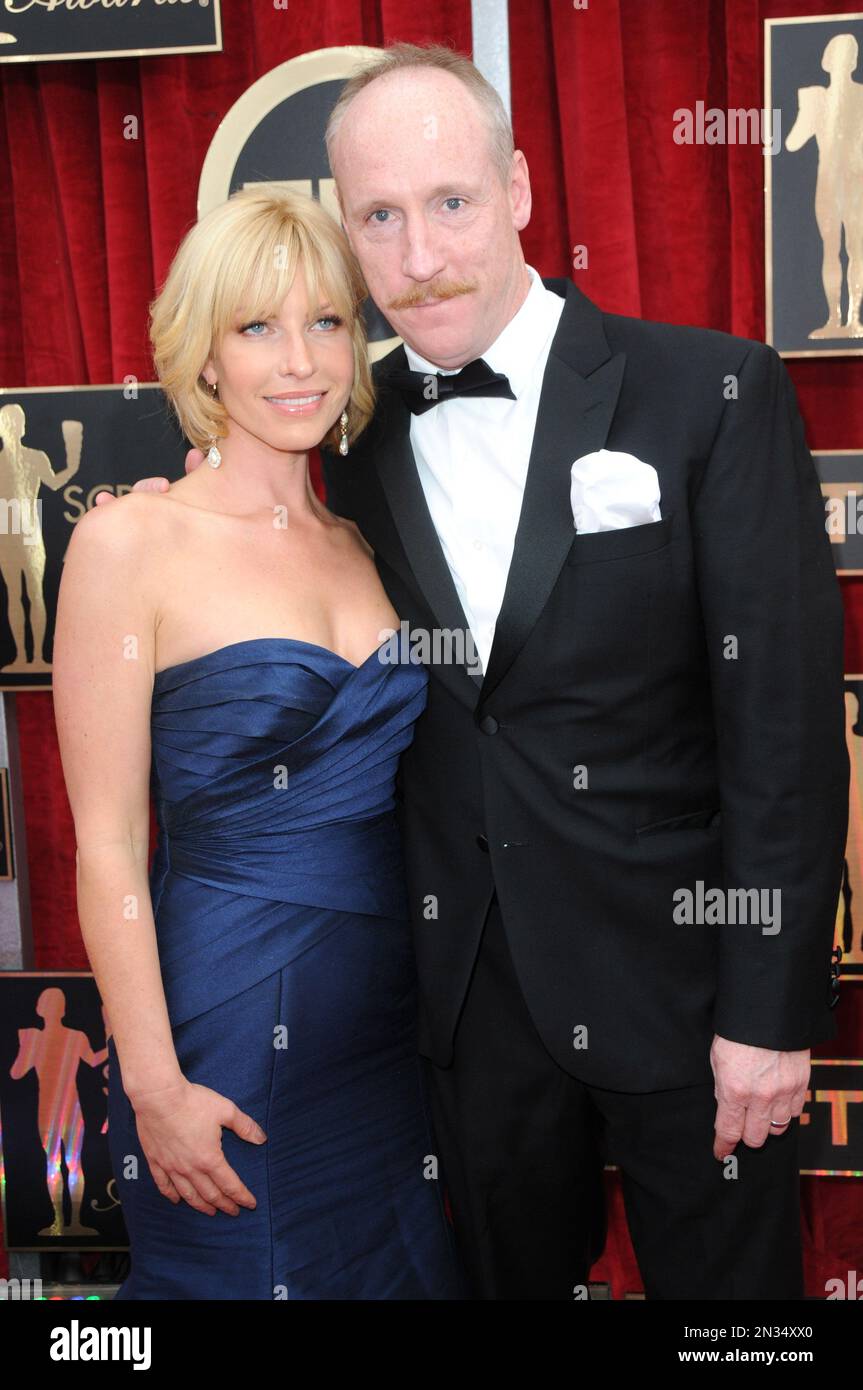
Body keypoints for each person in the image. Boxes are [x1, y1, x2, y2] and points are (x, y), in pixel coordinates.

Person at [103, 43, 849, 1300]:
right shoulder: (341, 428)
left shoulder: (707, 393)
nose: (418, 253)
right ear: (348, 232)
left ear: (513, 191)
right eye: (379, 219)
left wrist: (769, 1012)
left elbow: (778, 729)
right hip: (456, 1032)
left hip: (687, 1005)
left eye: (448, 203)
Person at [53, 182, 465, 1299]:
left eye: (325, 321)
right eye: (257, 326)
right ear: (204, 356)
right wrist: (151, 1082)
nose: (298, 360)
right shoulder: (131, 540)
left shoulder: (369, 538)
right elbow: (103, 843)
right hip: (224, 1031)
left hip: (388, 1045)